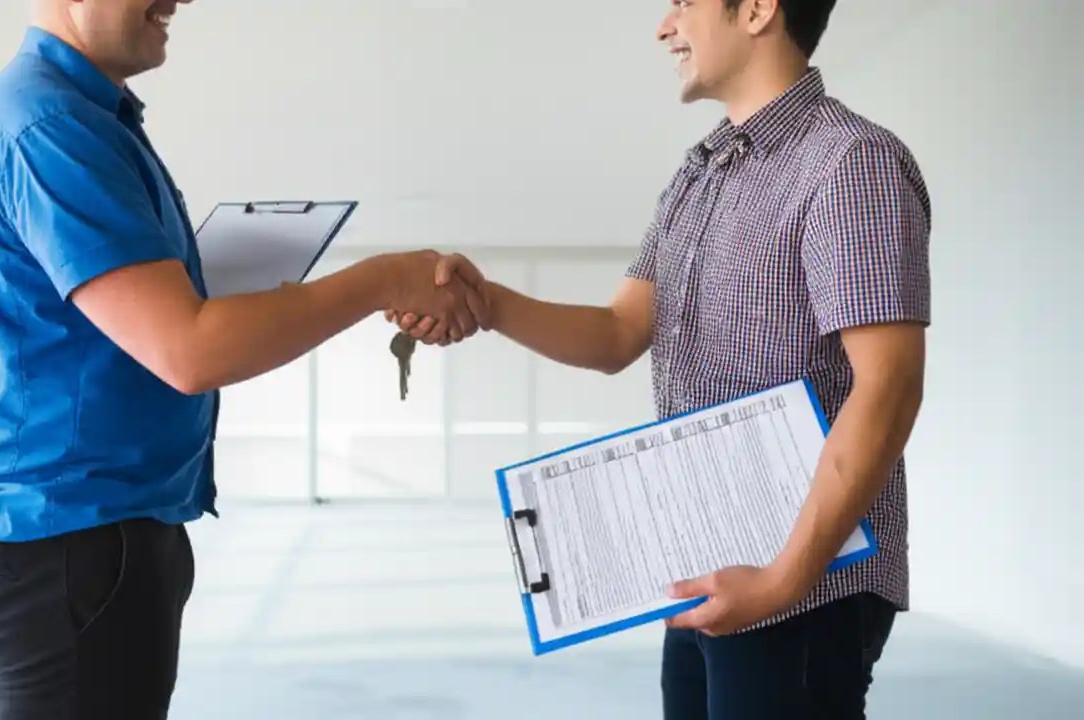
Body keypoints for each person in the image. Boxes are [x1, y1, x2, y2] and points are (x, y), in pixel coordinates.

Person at [0, 1, 486, 718]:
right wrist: (383, 279)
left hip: (91, 532)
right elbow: (187, 350)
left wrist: (200, 288)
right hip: (69, 539)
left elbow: (123, 325)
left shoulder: (80, 118)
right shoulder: (53, 128)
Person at [391, 0, 930, 717]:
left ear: (759, 9)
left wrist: (780, 581)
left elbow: (888, 388)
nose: (663, 25)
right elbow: (618, 332)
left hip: (804, 581)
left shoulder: (850, 164)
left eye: (683, 1)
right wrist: (485, 303)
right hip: (707, 565)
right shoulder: (701, 170)